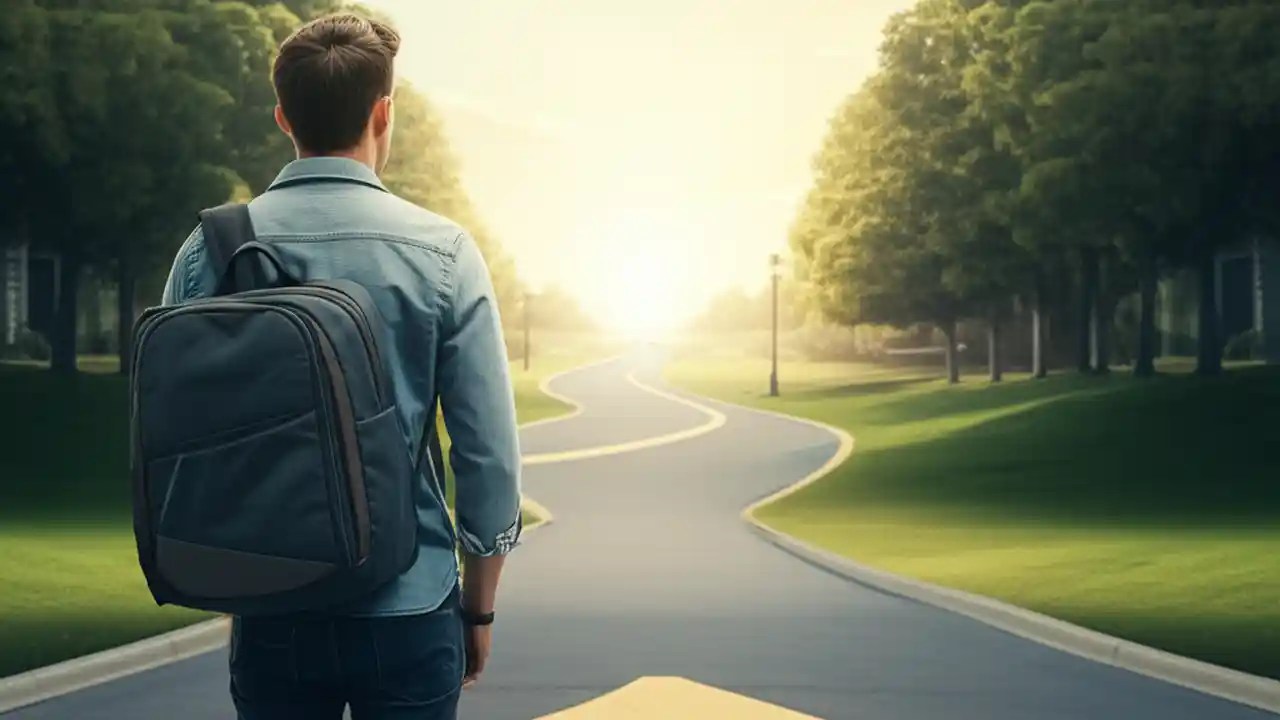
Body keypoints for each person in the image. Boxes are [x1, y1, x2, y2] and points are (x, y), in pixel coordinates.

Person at [159, 13, 522, 720]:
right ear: (383, 113)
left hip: (270, 606)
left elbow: (177, 430)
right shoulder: (442, 252)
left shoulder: (210, 248)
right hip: (409, 604)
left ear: (283, 117)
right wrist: (477, 611)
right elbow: (489, 456)